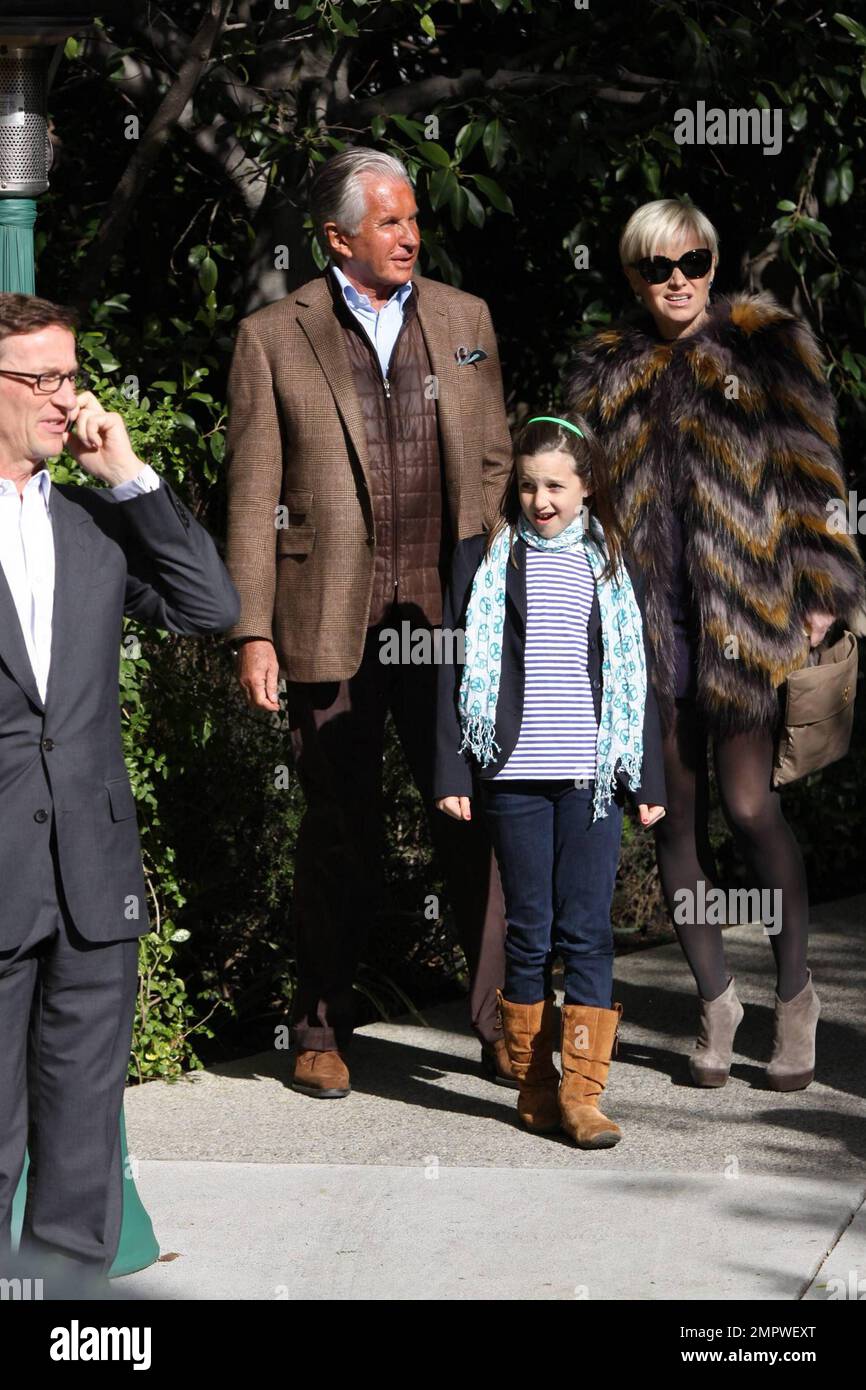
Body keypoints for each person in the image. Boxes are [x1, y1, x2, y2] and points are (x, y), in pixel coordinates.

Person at [225, 148, 515, 1098]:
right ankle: (318, 1027)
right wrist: (253, 630)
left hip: (449, 619)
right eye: (390, 222)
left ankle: (502, 1023)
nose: (411, 236)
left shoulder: (465, 321)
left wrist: (501, 592)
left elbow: (495, 461)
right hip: (328, 619)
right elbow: (253, 492)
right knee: (337, 831)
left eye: (414, 218)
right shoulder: (274, 335)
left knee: (474, 821)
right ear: (338, 238)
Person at [567, 198, 866, 1090]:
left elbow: (816, 474)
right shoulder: (604, 369)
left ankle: (797, 996)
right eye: (657, 268)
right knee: (670, 818)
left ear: (712, 261)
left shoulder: (767, 346)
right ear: (634, 277)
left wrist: (823, 592)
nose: (678, 282)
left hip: (744, 617)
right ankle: (716, 1002)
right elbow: (580, 502)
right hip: (648, 628)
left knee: (750, 808)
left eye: (693, 262)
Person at [0, 291, 239, 1276]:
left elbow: (208, 605)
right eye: (42, 379)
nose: (67, 398)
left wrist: (132, 477)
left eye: (72, 375)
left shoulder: (96, 524)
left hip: (94, 880)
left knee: (83, 1140)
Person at [435, 413, 666, 1148]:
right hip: (512, 774)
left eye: (557, 487)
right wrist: (453, 769)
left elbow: (636, 677)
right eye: (530, 485)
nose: (541, 500)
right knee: (529, 933)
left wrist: (648, 779)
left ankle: (584, 1094)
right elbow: (452, 666)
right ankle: (534, 1083)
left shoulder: (615, 563)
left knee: (588, 929)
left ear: (587, 486)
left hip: (591, 777)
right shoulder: (482, 558)